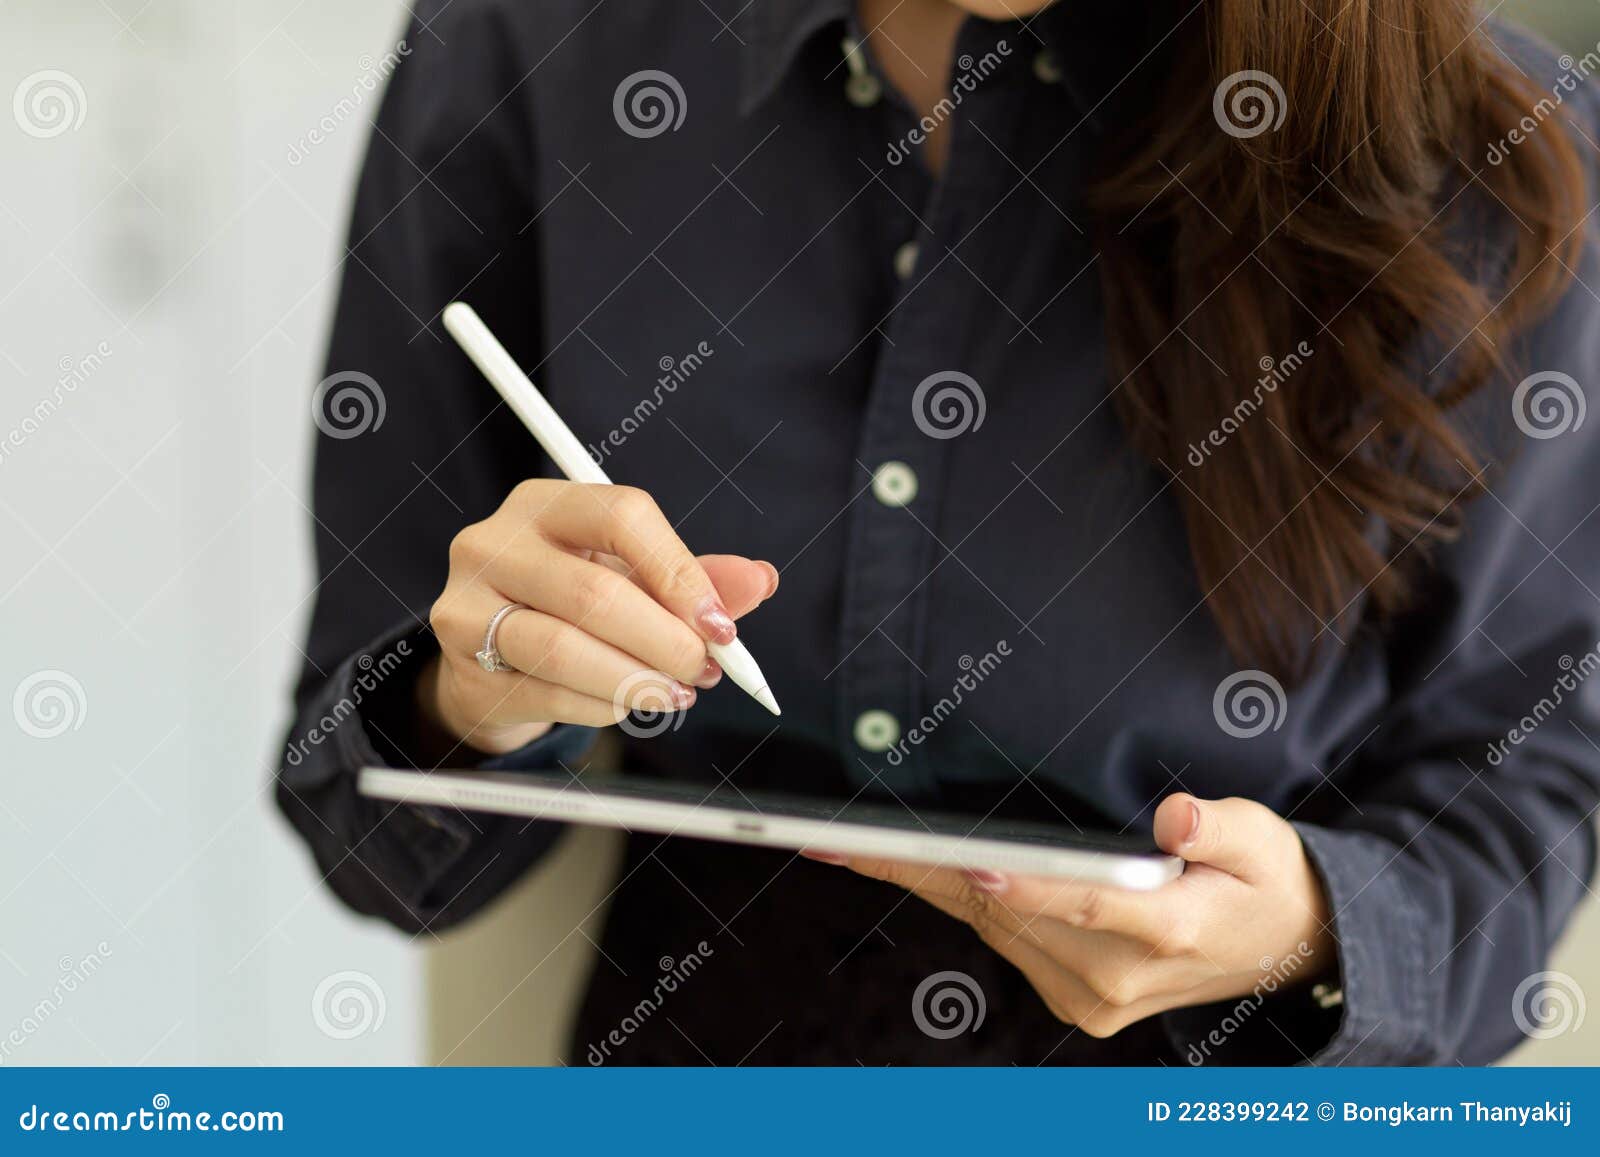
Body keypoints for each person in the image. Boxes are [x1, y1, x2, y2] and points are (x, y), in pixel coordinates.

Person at [276, 0, 1600, 1064]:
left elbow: (1520, 786)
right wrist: (479, 696)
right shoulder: (523, 45)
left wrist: (1314, 933)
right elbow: (369, 832)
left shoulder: (1515, 166)